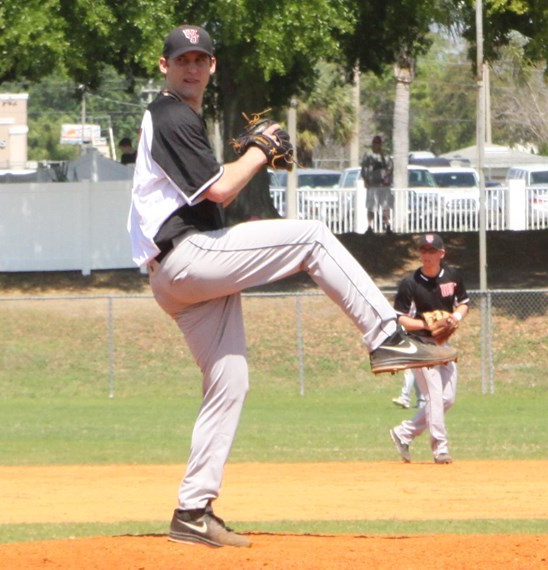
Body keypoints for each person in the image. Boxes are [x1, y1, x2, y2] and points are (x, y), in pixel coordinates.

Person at [128, 24, 457, 548]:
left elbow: (213, 200)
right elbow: (223, 188)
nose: (191, 67)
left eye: (200, 59)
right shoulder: (169, 113)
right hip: (186, 257)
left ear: (212, 68)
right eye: (181, 58)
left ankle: (192, 510)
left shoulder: (182, 118)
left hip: (181, 274)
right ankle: (385, 335)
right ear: (164, 66)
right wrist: (259, 151)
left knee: (228, 382)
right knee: (312, 237)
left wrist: (248, 155)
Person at [389, 233, 469, 465]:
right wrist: (428, 324)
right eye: (423, 250)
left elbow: (464, 303)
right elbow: (402, 319)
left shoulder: (452, 277)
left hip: (443, 345)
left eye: (431, 251)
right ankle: (440, 449)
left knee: (447, 398)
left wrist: (456, 317)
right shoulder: (410, 283)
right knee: (434, 396)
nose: (427, 255)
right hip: (419, 346)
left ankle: (403, 433)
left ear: (441, 254)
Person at [361, 135, 393, 233]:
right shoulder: (368, 156)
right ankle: (370, 226)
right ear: (373, 144)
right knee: (371, 207)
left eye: (378, 143)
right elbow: (364, 169)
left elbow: (390, 169)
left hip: (384, 186)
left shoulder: (386, 157)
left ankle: (387, 225)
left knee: (385, 206)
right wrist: (365, 180)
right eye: (375, 143)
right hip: (372, 185)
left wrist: (387, 177)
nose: (377, 145)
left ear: (381, 144)